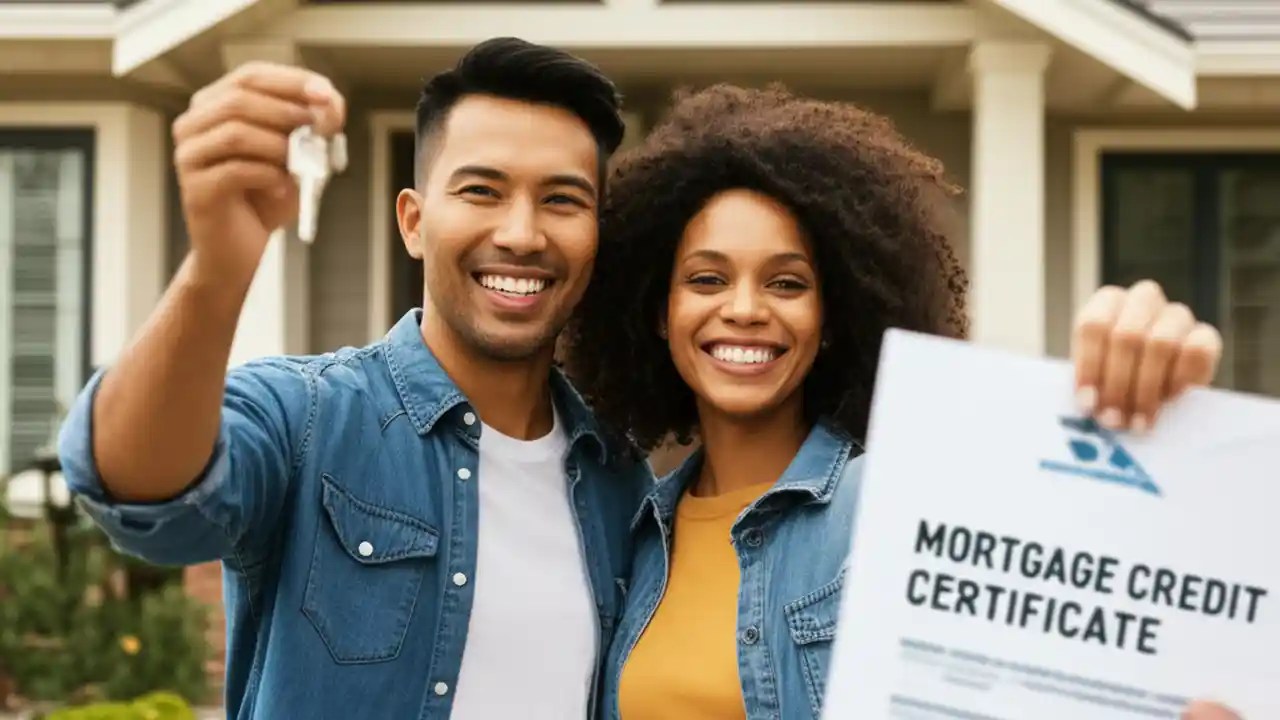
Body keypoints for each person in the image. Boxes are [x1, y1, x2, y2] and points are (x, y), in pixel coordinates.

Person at [563, 84, 1240, 720]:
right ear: (659, 310)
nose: (743, 309)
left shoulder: (900, 504)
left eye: (787, 283)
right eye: (708, 279)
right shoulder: (636, 530)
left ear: (831, 321)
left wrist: (1150, 390)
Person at [56, 38, 651, 719]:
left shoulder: (620, 479)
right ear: (414, 222)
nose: (522, 233)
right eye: (481, 190)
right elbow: (140, 493)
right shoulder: (309, 418)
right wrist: (218, 267)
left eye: (562, 200)